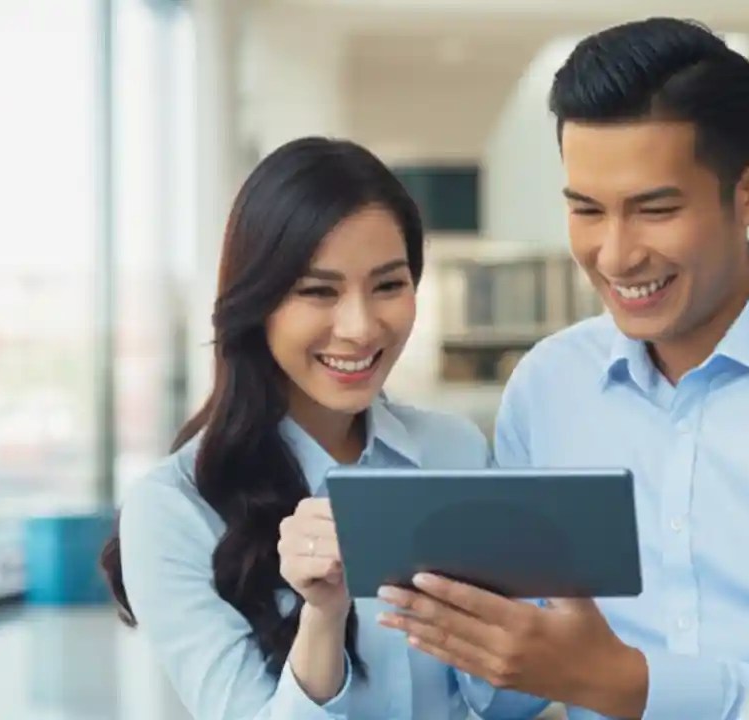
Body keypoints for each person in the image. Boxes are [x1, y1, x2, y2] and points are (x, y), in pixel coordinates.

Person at [377, 17, 749, 720]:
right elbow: (504, 693)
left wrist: (625, 683)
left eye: (654, 209)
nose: (616, 254)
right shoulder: (550, 386)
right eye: (587, 210)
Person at [99, 137, 549, 720]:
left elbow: (506, 706)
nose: (360, 328)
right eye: (318, 291)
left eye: (388, 285)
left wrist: (531, 620)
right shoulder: (174, 507)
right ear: (257, 302)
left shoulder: (452, 448)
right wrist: (324, 615)